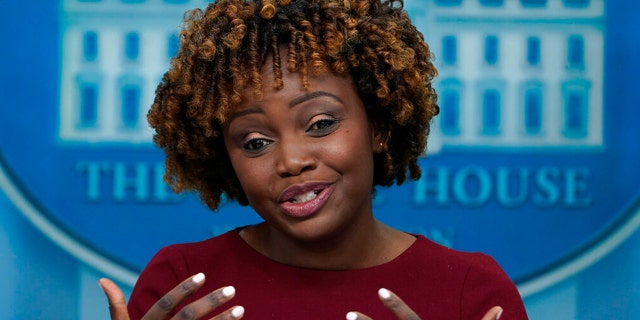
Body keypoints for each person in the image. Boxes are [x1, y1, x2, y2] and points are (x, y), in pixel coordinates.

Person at [99, 0, 529, 319]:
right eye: (254, 142)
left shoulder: (469, 291)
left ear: (377, 126)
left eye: (320, 123)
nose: (291, 160)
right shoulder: (183, 283)